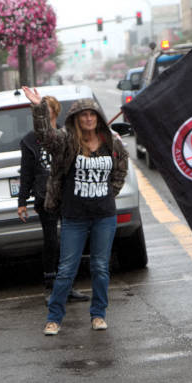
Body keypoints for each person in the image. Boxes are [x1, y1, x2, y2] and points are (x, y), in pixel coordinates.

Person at [22, 86, 129, 335]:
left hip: (104, 216)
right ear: (76, 119)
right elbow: (45, 136)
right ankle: (54, 318)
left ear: (98, 118)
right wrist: (39, 108)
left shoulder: (111, 142)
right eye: (83, 115)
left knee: (100, 267)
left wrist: (108, 193)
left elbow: (121, 169)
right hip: (74, 216)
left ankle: (98, 315)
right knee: (67, 269)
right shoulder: (66, 141)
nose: (89, 118)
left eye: (92, 114)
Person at [16, 95, 89, 305]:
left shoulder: (67, 136)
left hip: (69, 196)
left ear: (56, 114)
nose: (44, 117)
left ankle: (69, 285)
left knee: (71, 241)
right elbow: (27, 173)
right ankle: (51, 285)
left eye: (48, 112)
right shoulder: (30, 140)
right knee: (51, 241)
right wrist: (22, 201)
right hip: (44, 197)